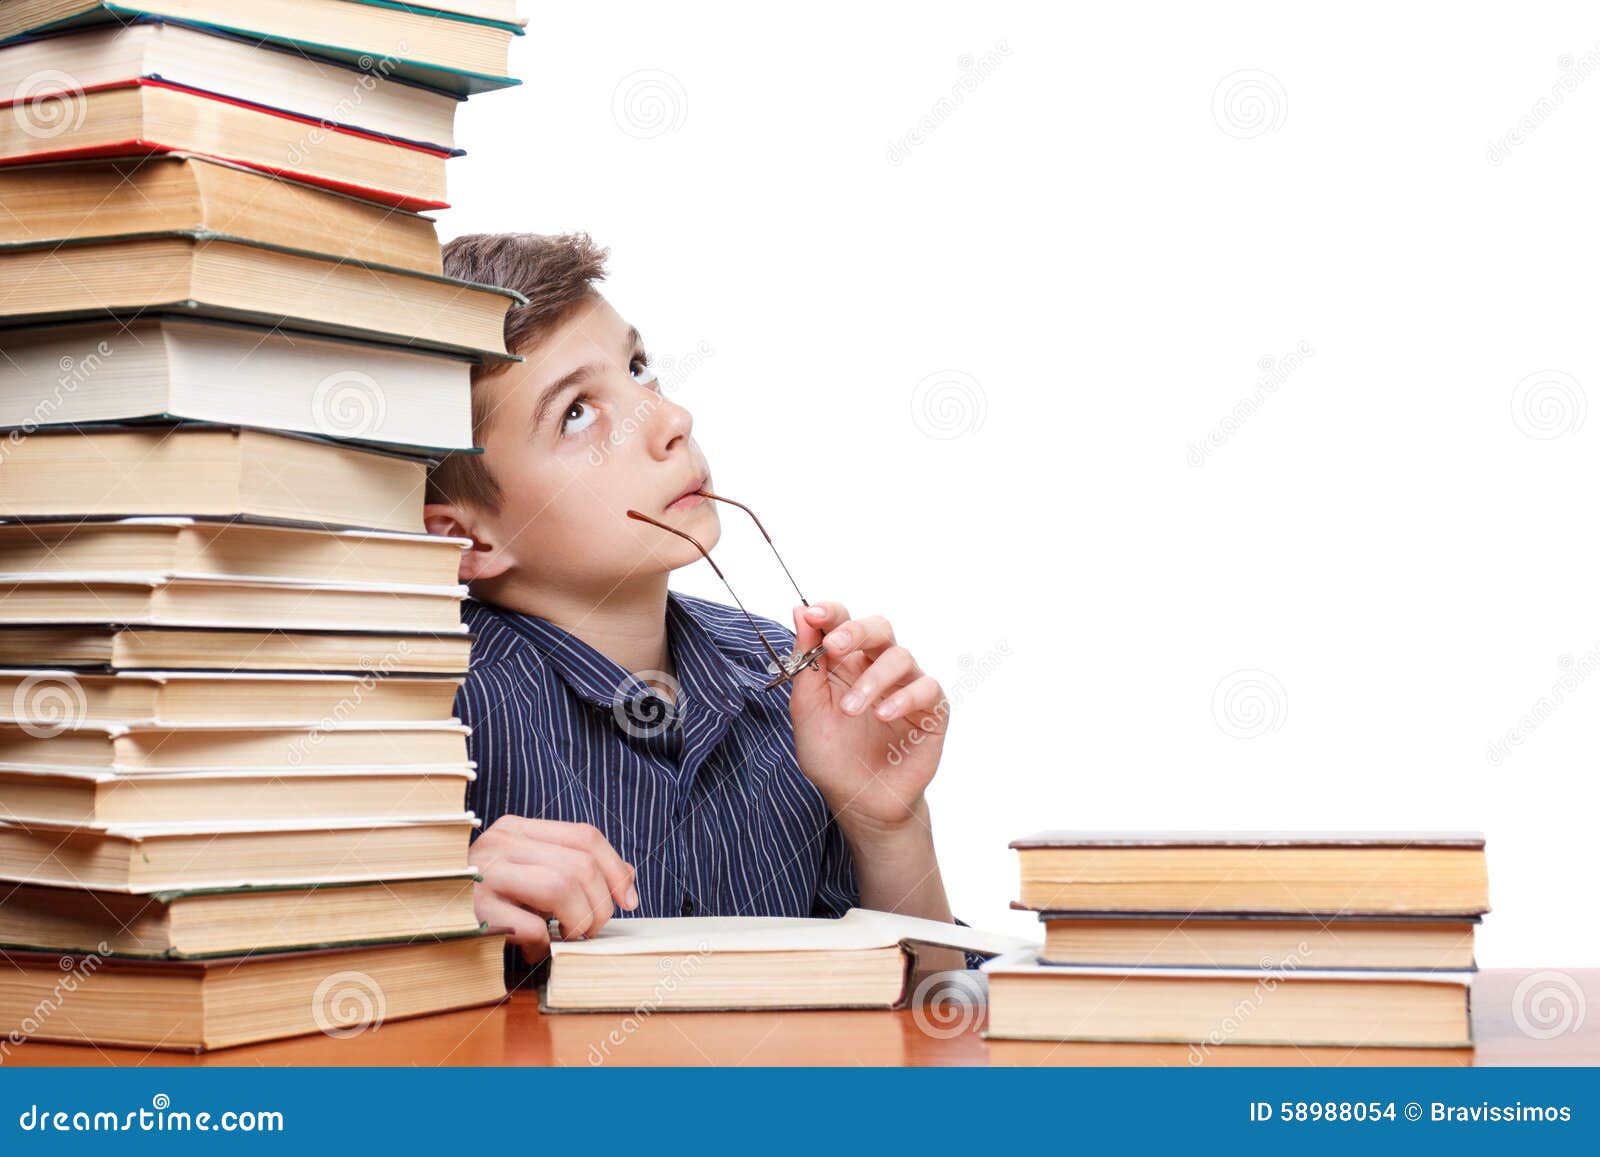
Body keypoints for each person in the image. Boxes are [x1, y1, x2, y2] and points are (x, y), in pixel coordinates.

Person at [422, 233, 965, 980]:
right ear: (466, 538)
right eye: (578, 413)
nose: (669, 416)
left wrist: (886, 825)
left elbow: (935, 1012)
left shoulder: (787, 684)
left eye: (639, 368)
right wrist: (426, 909)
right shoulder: (421, 712)